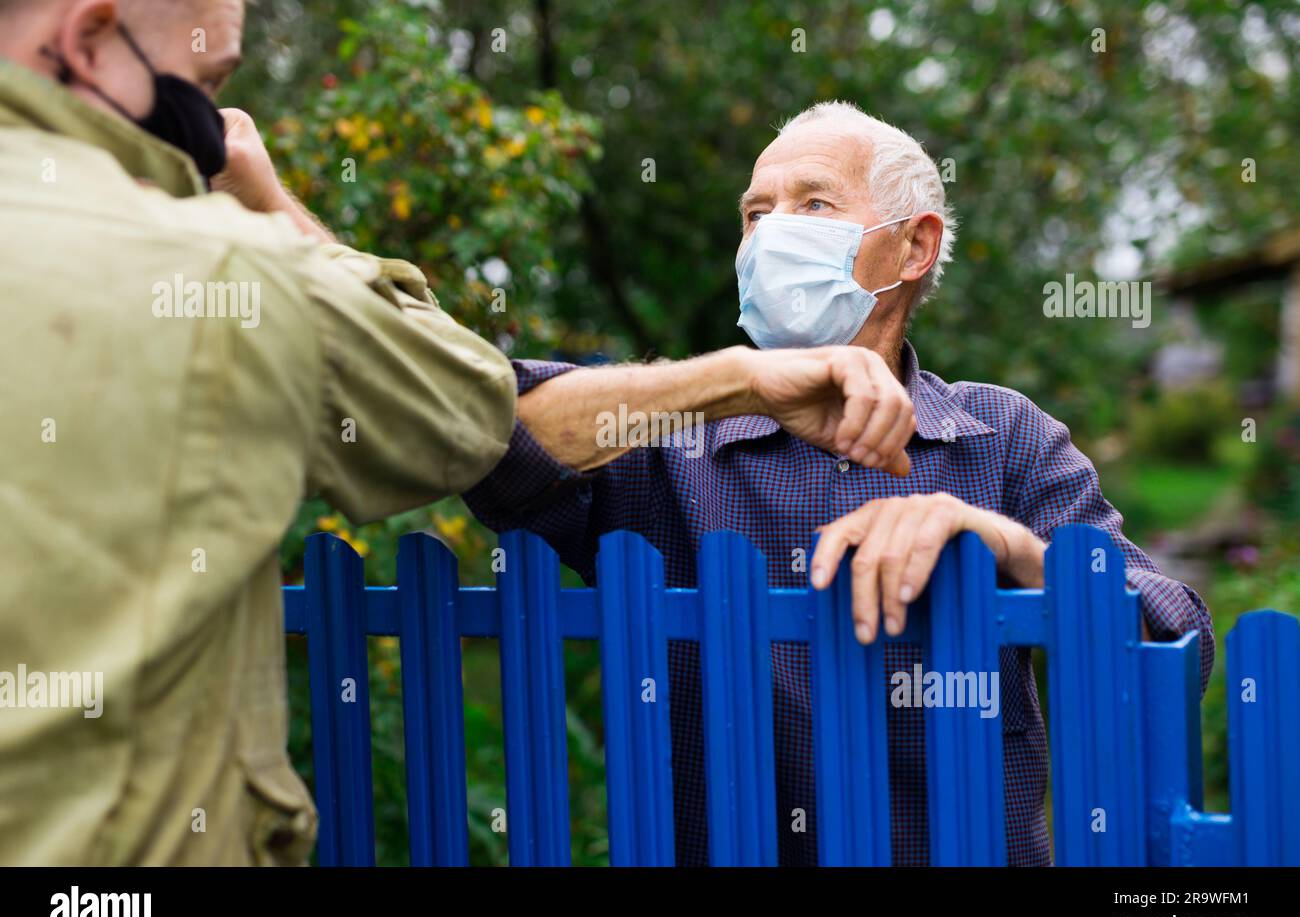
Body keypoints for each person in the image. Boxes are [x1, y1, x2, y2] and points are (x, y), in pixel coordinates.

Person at [462, 101, 1216, 866]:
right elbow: (481, 431)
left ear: (914, 245)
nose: (771, 233)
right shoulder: (668, 444)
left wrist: (1001, 543)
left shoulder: (1007, 437)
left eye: (813, 203)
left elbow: (1172, 638)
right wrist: (739, 380)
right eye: (756, 213)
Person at [0, 0, 520, 864]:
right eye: (205, 88)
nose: (207, 129)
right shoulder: (219, 272)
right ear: (89, 44)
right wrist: (267, 204)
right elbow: (464, 405)